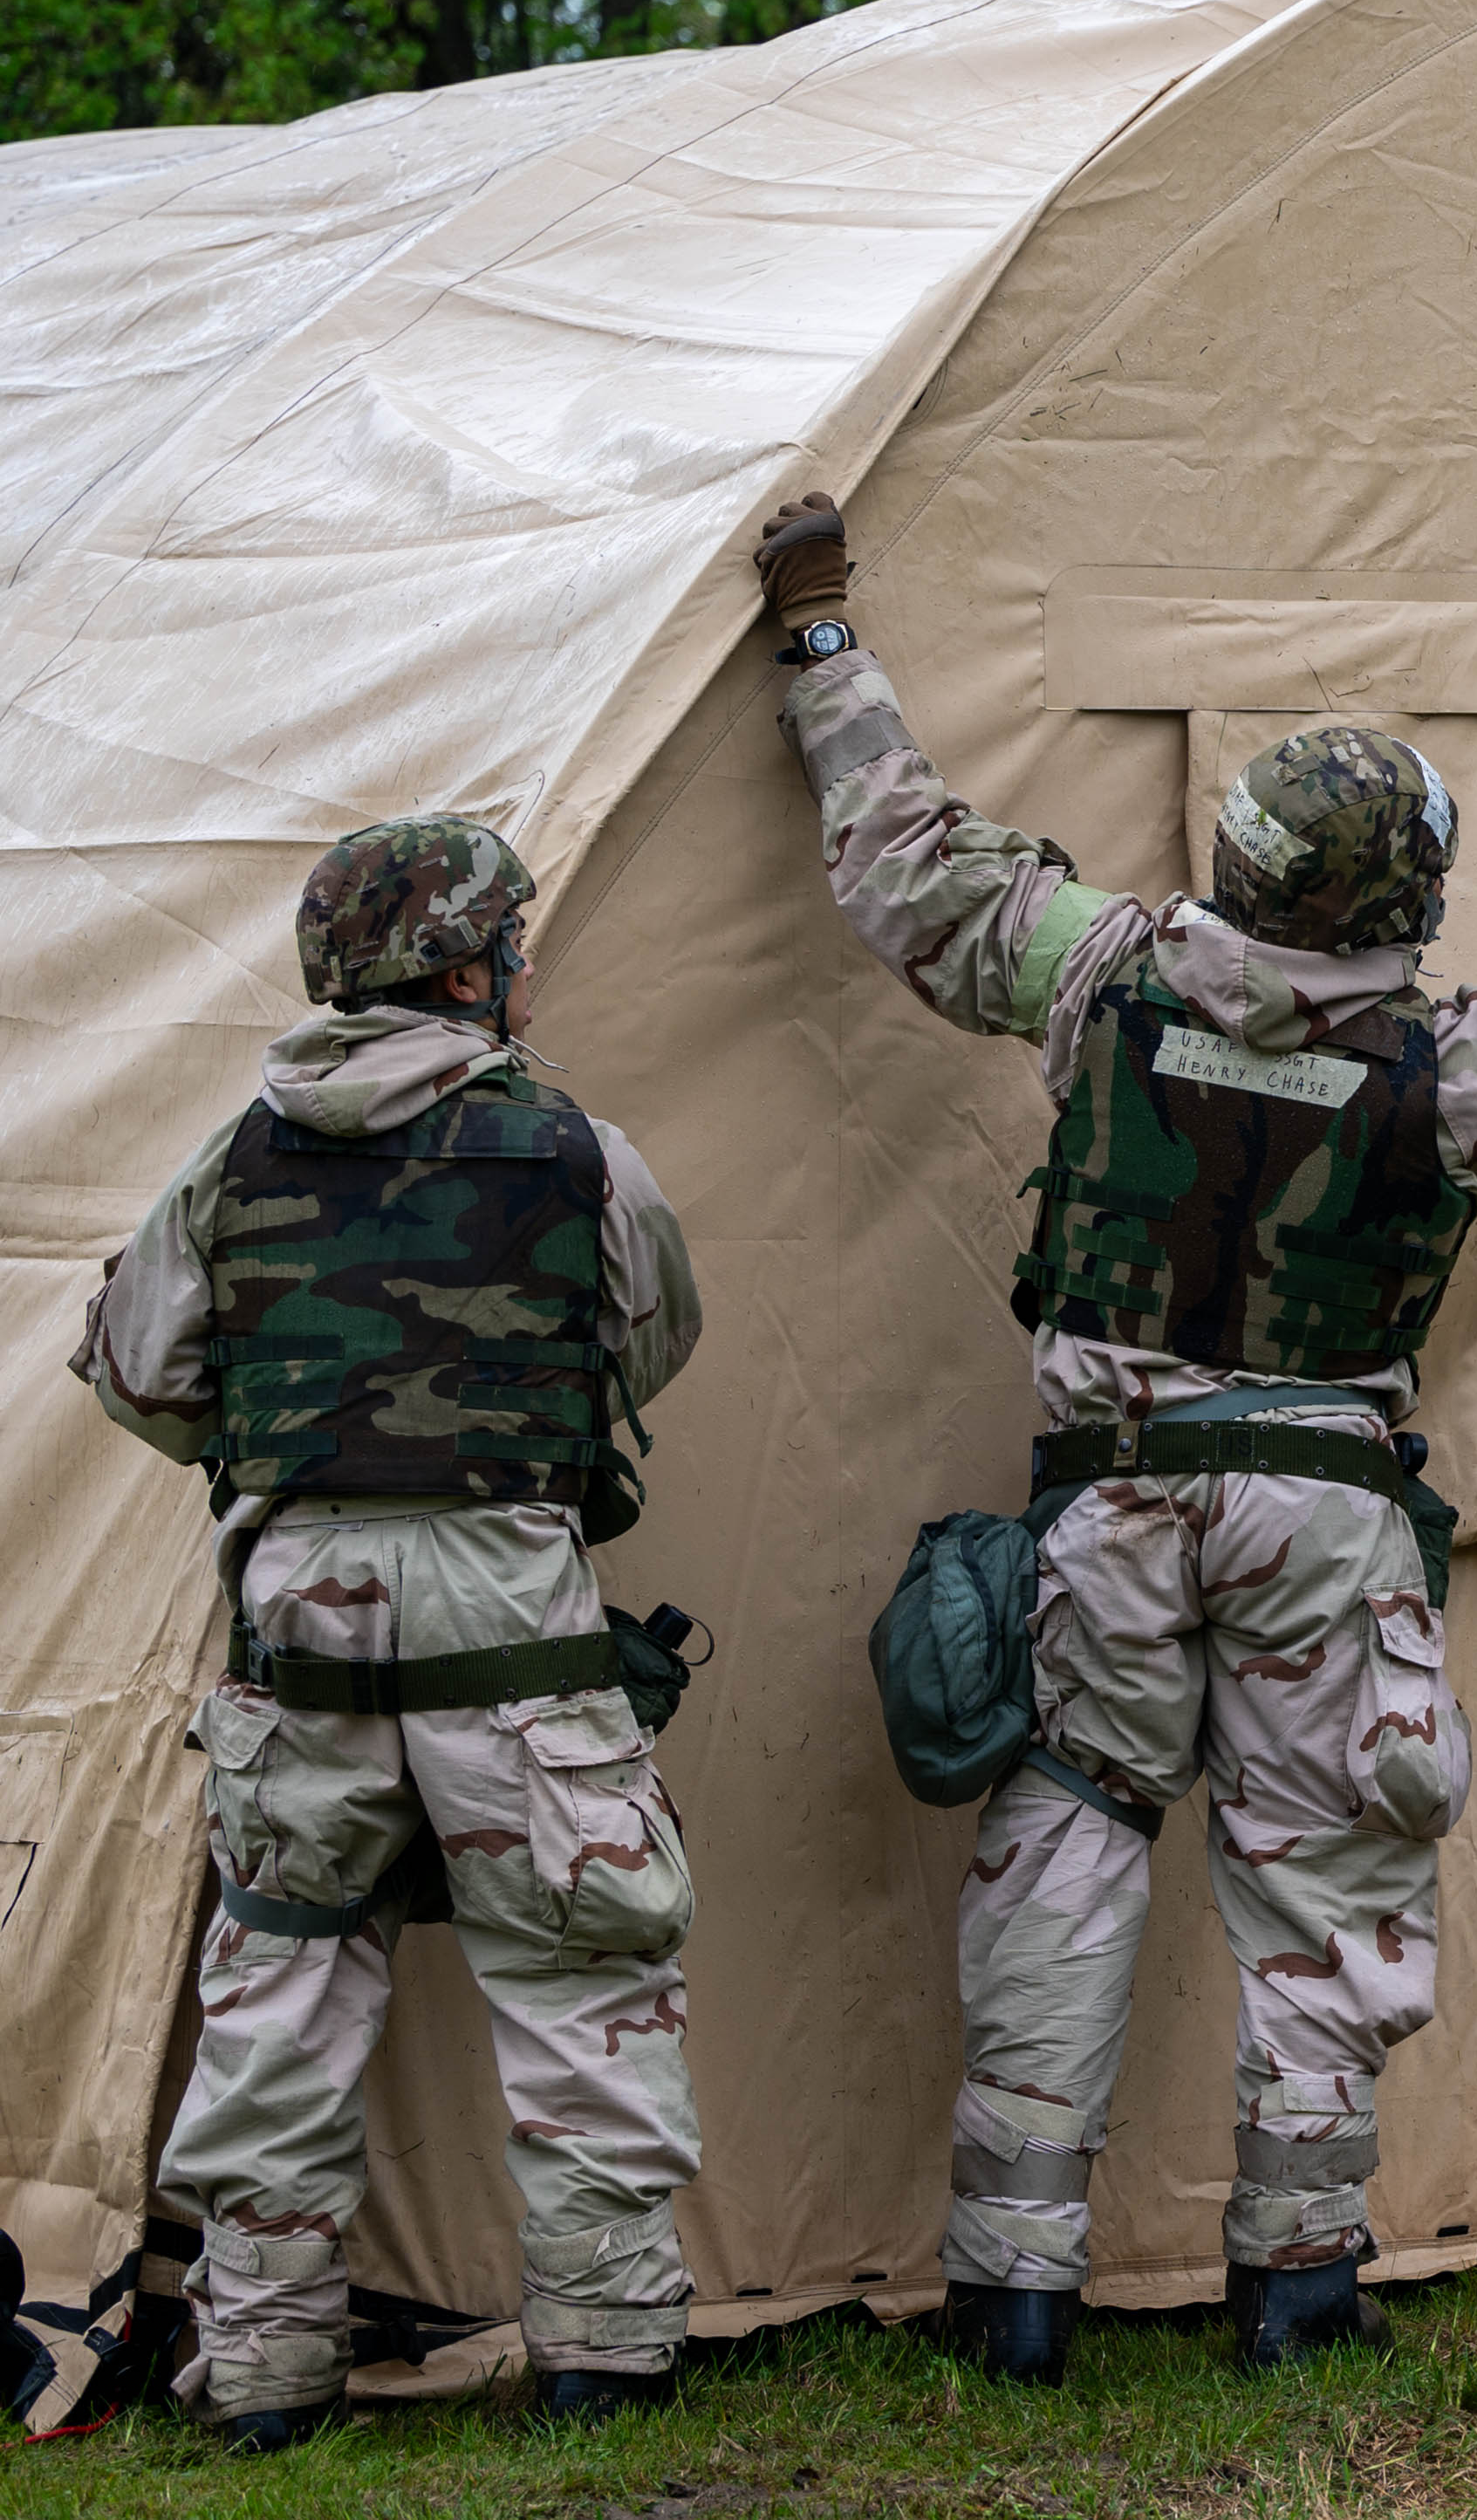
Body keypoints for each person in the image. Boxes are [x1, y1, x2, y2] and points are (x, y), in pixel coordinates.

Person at [749, 496, 1477, 2380]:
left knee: (1066, 1854)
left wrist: (820, 644)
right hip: (1321, 1519)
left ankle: (1015, 2297)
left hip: (1109, 1505)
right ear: (1411, 906)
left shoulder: (1098, 973)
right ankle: (1297, 2294)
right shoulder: (1458, 1068)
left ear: (1235, 854)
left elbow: (910, 858)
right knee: (1325, 1878)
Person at [73, 820, 707, 2446]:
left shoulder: (236, 1156)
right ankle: (605, 2360)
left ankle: (269, 2376)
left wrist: (300, 1444)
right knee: (581, 1966)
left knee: (282, 1985)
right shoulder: (576, 1146)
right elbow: (649, 1337)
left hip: (306, 1619)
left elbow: (140, 1370)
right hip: (516, 1610)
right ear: (469, 963)